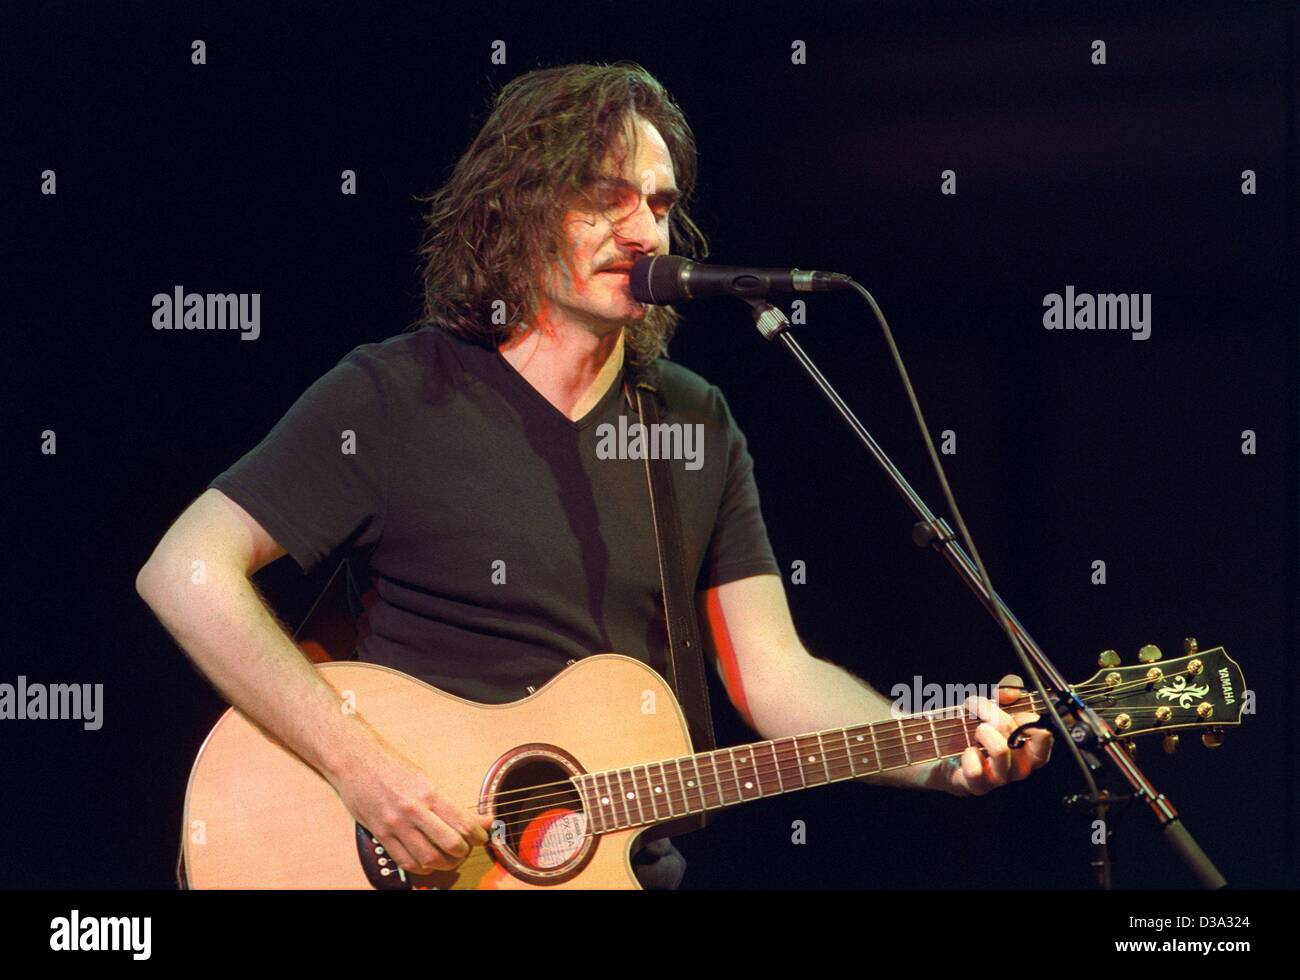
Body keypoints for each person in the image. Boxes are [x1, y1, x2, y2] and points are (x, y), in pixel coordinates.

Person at [136, 62, 1052, 890]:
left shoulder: (692, 422)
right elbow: (184, 572)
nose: (643, 228)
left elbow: (773, 674)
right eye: (607, 197)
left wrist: (931, 750)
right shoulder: (392, 396)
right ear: (514, 209)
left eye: (658, 202)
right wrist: (363, 773)